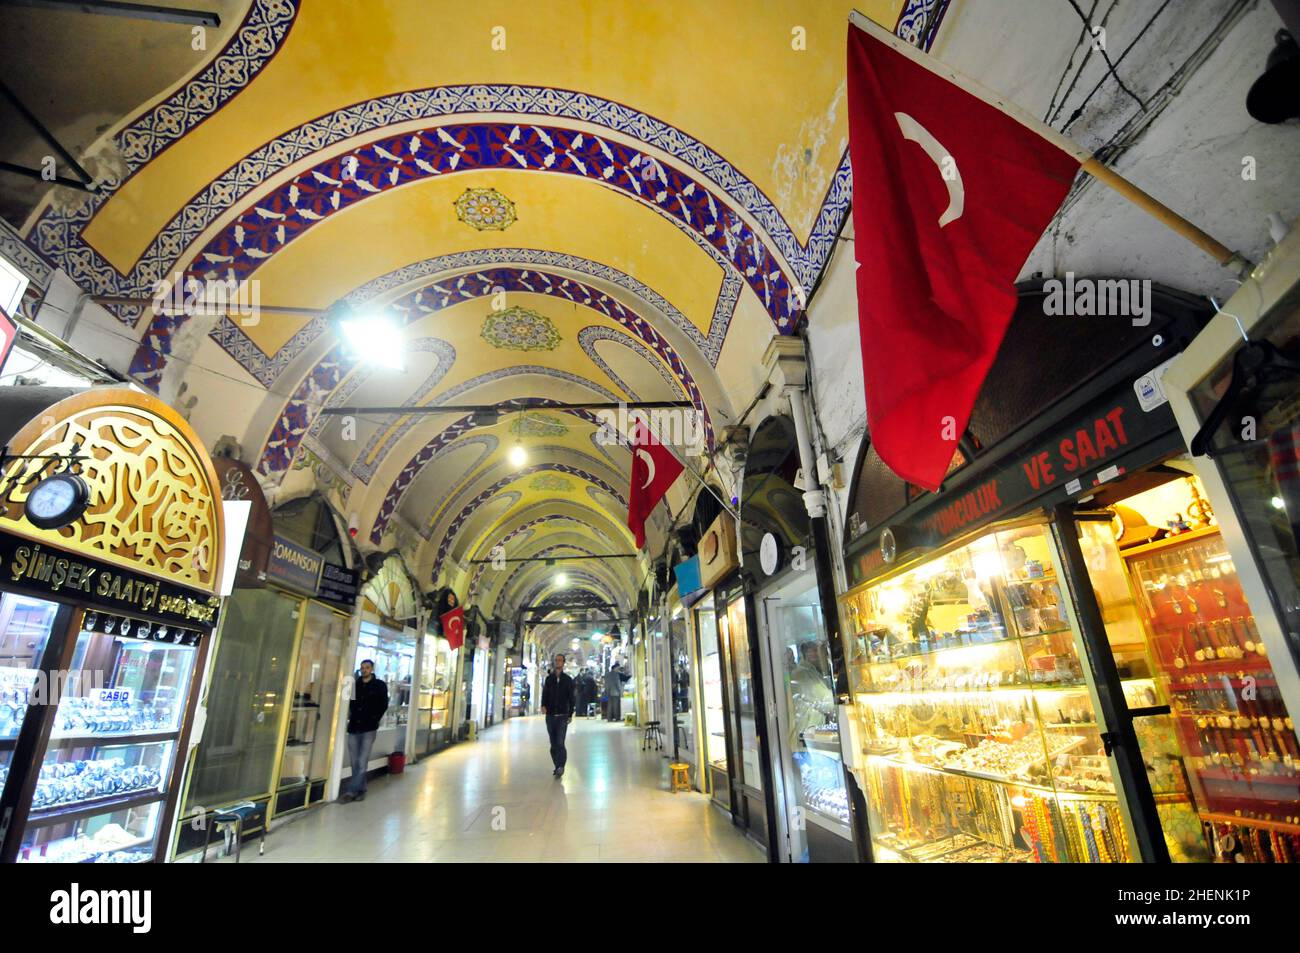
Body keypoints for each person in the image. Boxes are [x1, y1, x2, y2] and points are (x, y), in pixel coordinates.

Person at [341, 659, 388, 802]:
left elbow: (383, 704)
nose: (364, 670)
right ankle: (361, 789)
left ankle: (351, 791)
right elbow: (349, 704)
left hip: (369, 728)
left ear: (372, 669)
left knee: (362, 760)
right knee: (355, 761)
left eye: (367, 668)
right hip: (354, 727)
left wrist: (374, 719)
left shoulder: (379, 685)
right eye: (362, 668)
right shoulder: (355, 685)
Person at [539, 653, 576, 777]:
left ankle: (561, 766)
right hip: (550, 715)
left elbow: (571, 698)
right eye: (556, 660)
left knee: (560, 742)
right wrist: (543, 705)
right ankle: (557, 765)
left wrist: (570, 713)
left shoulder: (567, 680)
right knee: (553, 744)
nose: (558, 662)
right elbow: (545, 694)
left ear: (563, 663)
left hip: (562, 715)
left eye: (560, 660)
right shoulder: (549, 679)